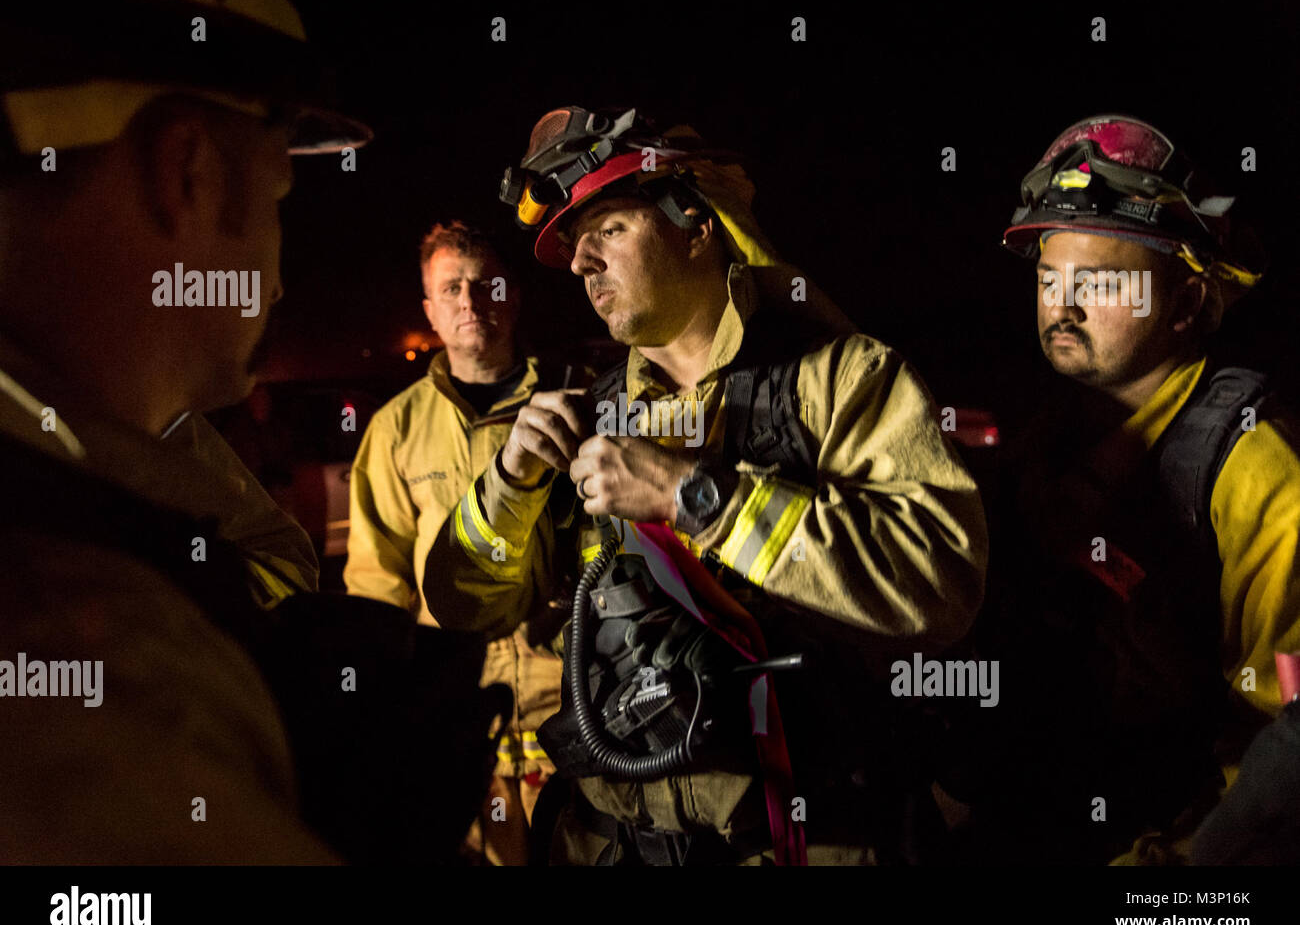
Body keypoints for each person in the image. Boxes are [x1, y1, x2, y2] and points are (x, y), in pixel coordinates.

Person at [423, 106, 989, 864]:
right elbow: (463, 606)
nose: (583, 262)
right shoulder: (581, 420)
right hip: (612, 843)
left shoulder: (838, 379)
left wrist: (696, 499)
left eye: (611, 230)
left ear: (697, 224)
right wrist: (507, 483)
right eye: (574, 247)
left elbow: (939, 584)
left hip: (807, 837)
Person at [0, 0, 464, 863]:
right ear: (190, 173)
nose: (278, 284)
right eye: (281, 196)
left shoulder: (65, 473)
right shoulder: (96, 654)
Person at [934, 114, 1300, 864]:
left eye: (1099, 281)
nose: (1060, 306)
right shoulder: (1047, 430)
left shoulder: (1258, 470)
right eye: (1049, 277)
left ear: (1191, 305)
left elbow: (1280, 752)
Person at [345, 221, 568, 864]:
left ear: (513, 295)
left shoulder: (566, 406)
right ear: (430, 312)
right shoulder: (395, 431)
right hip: (459, 718)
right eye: (451, 289)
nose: (469, 302)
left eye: (484, 285)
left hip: (572, 707)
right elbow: (376, 586)